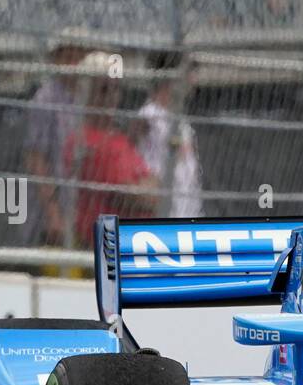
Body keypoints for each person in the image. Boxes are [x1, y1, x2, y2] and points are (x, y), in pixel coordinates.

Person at [62, 51, 159, 246]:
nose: (112, 97)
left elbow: (155, 188)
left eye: (116, 89)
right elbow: (127, 196)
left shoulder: (118, 139)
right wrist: (145, 189)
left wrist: (147, 190)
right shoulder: (85, 141)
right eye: (104, 90)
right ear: (86, 93)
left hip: (133, 244)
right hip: (106, 246)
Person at [23, 37, 88, 245]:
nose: (74, 63)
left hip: (81, 209)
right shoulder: (45, 100)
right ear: (55, 60)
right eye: (68, 57)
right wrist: (53, 214)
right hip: (54, 213)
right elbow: (37, 159)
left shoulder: (86, 97)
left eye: (79, 57)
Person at [136, 51, 202, 219]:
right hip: (162, 216)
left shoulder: (179, 119)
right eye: (189, 73)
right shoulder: (149, 115)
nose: (193, 81)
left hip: (186, 214)